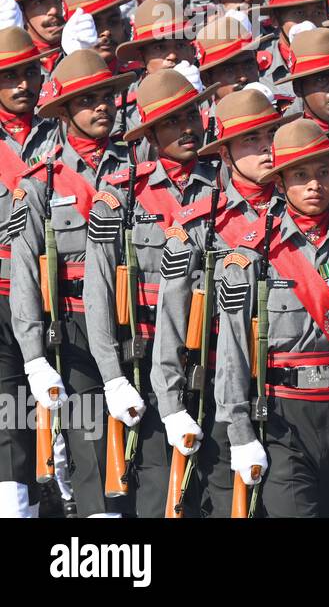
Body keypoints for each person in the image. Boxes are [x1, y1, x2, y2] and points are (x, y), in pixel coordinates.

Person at [215, 108, 329, 518]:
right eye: (300, 175)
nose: (315, 185)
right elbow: (233, 349)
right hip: (283, 415)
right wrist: (239, 430)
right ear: (279, 181)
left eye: (323, 172)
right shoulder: (253, 252)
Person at [81, 68, 219, 518]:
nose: (187, 128)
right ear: (151, 133)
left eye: (191, 115)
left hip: (215, 362)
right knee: (161, 492)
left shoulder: (223, 187)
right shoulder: (121, 196)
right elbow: (98, 291)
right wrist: (112, 377)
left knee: (216, 488)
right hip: (142, 364)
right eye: (172, 121)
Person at [149, 87, 290, 519]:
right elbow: (171, 321)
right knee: (221, 498)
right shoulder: (198, 225)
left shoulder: (301, 212)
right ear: (225, 154)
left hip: (288, 386)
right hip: (215, 387)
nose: (267, 148)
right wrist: (171, 406)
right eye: (251, 140)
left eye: (271, 135)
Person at [9, 50, 136, 518]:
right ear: (61, 111)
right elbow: (24, 268)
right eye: (87, 99)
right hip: (75, 325)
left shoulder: (140, 166)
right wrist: (35, 357)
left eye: (107, 96)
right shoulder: (41, 179)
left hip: (141, 321)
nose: (102, 106)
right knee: (93, 447)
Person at [0, 27, 59, 518]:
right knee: (10, 417)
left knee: (71, 418)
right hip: (1, 297)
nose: (22, 83)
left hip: (59, 295)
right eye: (9, 75)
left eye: (29, 72)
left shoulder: (60, 128)